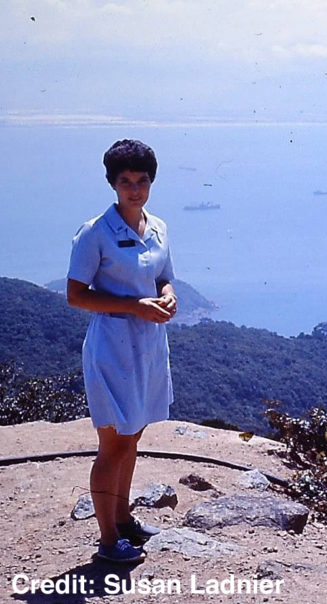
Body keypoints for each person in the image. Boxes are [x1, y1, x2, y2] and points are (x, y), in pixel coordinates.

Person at [67, 139, 177, 563]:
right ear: (112, 183)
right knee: (112, 444)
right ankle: (109, 540)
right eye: (126, 181)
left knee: (134, 436)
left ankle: (126, 518)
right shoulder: (95, 233)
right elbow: (76, 296)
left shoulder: (159, 228)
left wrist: (168, 297)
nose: (135, 189)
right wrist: (135, 306)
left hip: (148, 345)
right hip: (112, 347)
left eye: (142, 180)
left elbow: (165, 276)